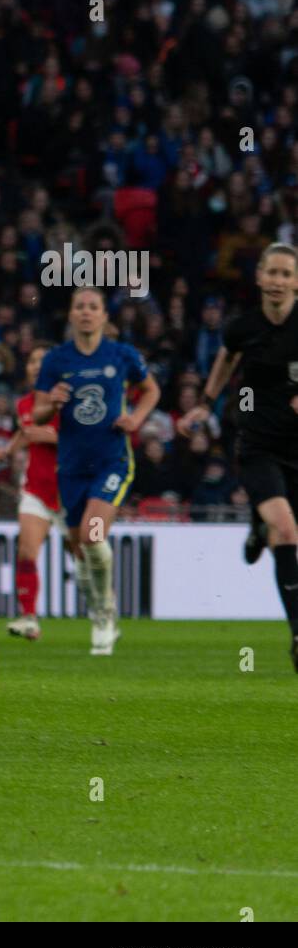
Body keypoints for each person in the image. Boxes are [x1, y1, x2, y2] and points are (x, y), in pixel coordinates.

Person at [181, 243, 298, 669]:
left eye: (287, 274)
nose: (279, 281)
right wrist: (205, 402)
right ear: (259, 278)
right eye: (273, 273)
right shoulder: (242, 328)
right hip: (259, 446)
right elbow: (227, 358)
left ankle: (255, 526)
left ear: (297, 282)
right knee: (287, 531)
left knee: (281, 529)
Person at [34, 288, 161, 655]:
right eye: (80, 307)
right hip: (72, 465)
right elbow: (37, 413)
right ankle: (101, 609)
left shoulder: (121, 355)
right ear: (71, 316)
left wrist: (135, 418)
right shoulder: (56, 360)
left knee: (92, 534)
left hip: (112, 460)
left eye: (94, 307)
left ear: (105, 316)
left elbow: (151, 390)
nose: (87, 313)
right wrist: (52, 405)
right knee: (80, 548)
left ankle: (104, 618)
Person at [0, 341, 74, 640]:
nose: (35, 366)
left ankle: (103, 611)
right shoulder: (23, 404)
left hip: (70, 491)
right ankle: (29, 617)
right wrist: (10, 449)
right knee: (27, 552)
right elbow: (25, 430)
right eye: (31, 361)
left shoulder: (71, 400)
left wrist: (51, 436)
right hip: (36, 489)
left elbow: (85, 442)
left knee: (83, 556)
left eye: (42, 361)